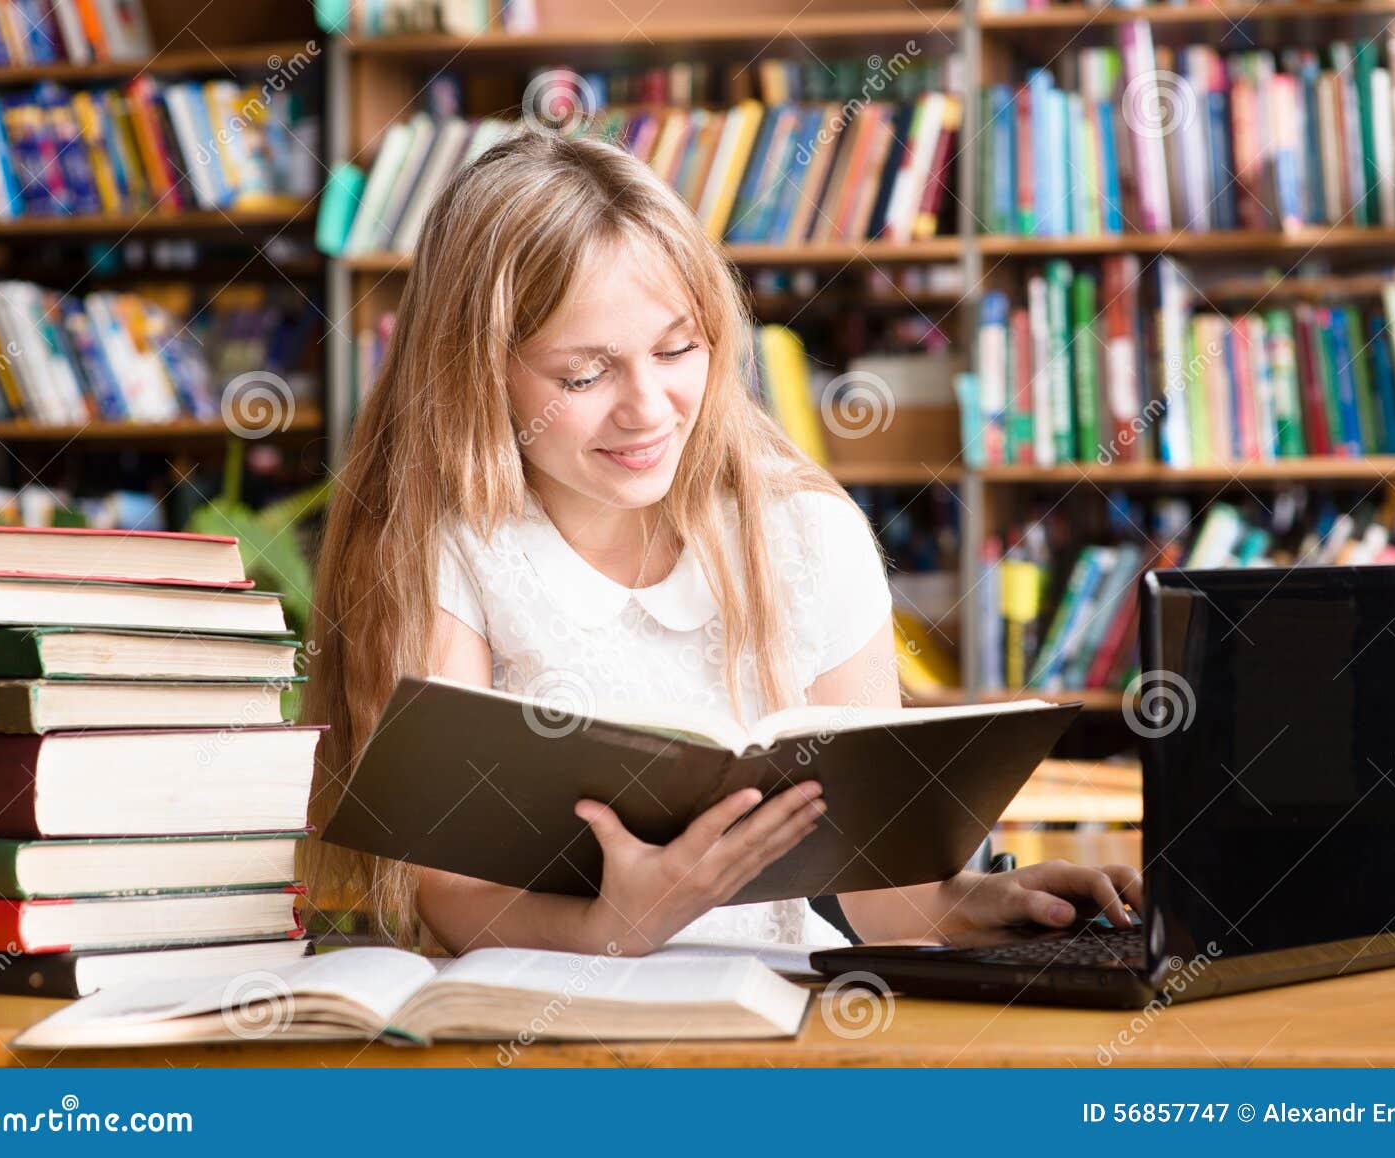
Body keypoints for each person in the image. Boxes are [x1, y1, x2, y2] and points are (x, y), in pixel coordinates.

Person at [305, 130, 1140, 956]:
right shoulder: (442, 549)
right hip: (533, 1036)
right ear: (476, 370)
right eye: (584, 376)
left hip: (773, 1018)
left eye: (677, 349)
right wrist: (613, 928)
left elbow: (889, 900)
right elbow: (453, 896)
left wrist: (980, 901)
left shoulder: (806, 534)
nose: (649, 407)